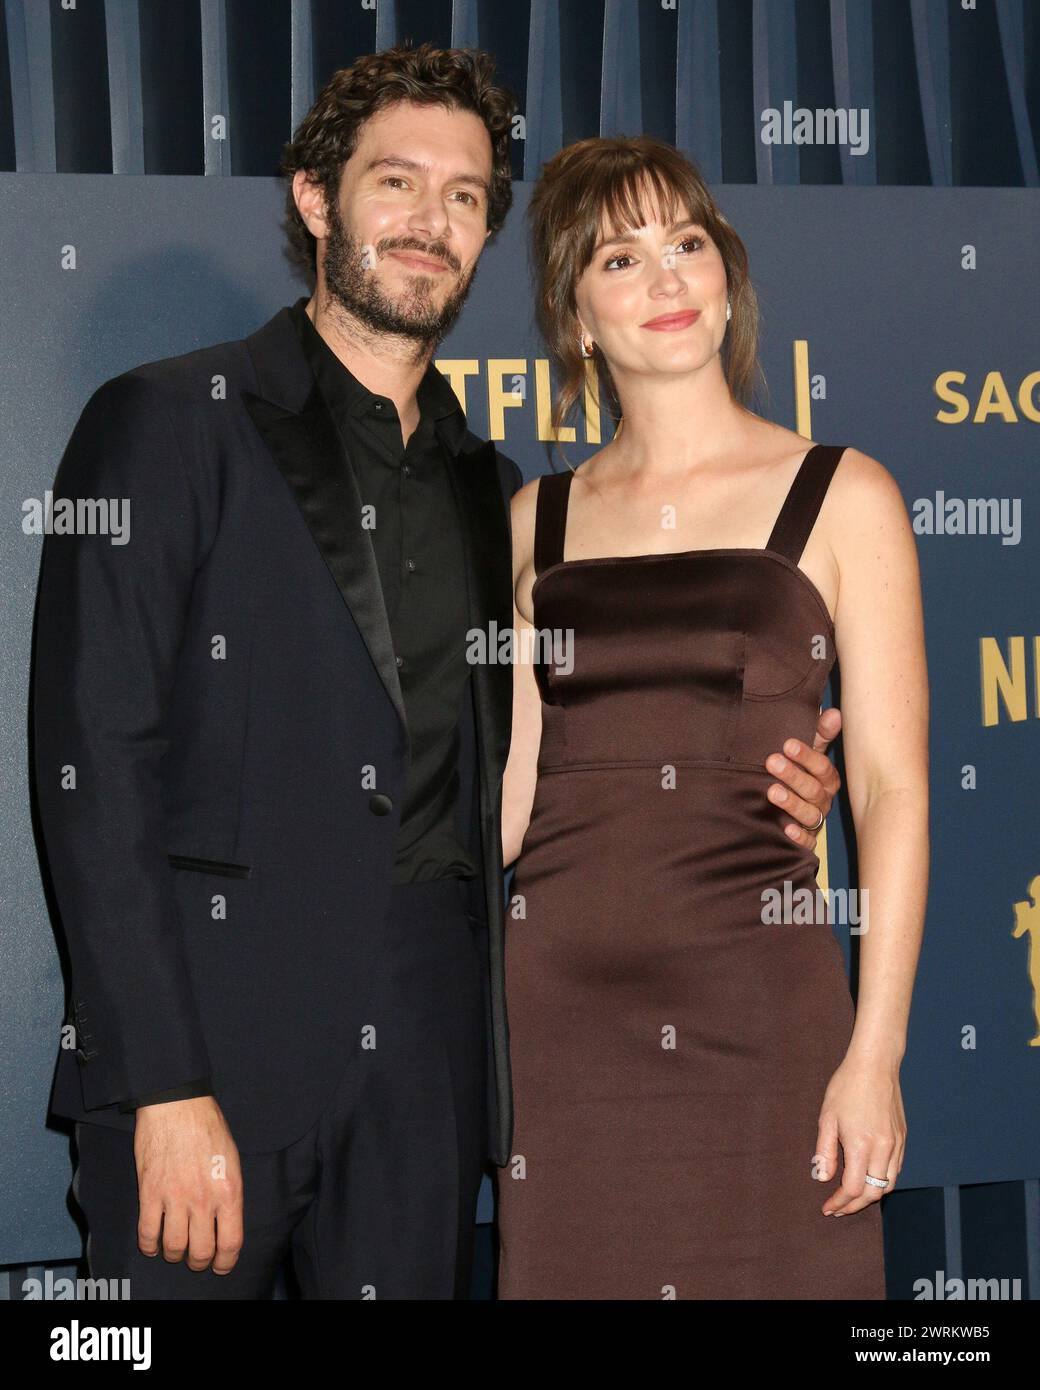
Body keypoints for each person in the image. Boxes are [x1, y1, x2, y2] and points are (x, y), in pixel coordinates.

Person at [32, 44, 848, 1300]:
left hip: (430, 1070)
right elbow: (96, 768)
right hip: (210, 1069)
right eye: (395, 184)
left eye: (465, 197)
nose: (430, 222)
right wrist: (161, 1082)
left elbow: (553, 759)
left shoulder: (496, 496)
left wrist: (761, 777)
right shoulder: (171, 420)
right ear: (314, 199)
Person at [496, 135, 928, 1299]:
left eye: (685, 244)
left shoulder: (845, 491)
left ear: (726, 273)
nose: (665, 280)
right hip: (560, 1024)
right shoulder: (534, 520)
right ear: (574, 315)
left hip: (763, 1009)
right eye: (619, 259)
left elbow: (888, 789)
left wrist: (873, 1051)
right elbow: (504, 804)